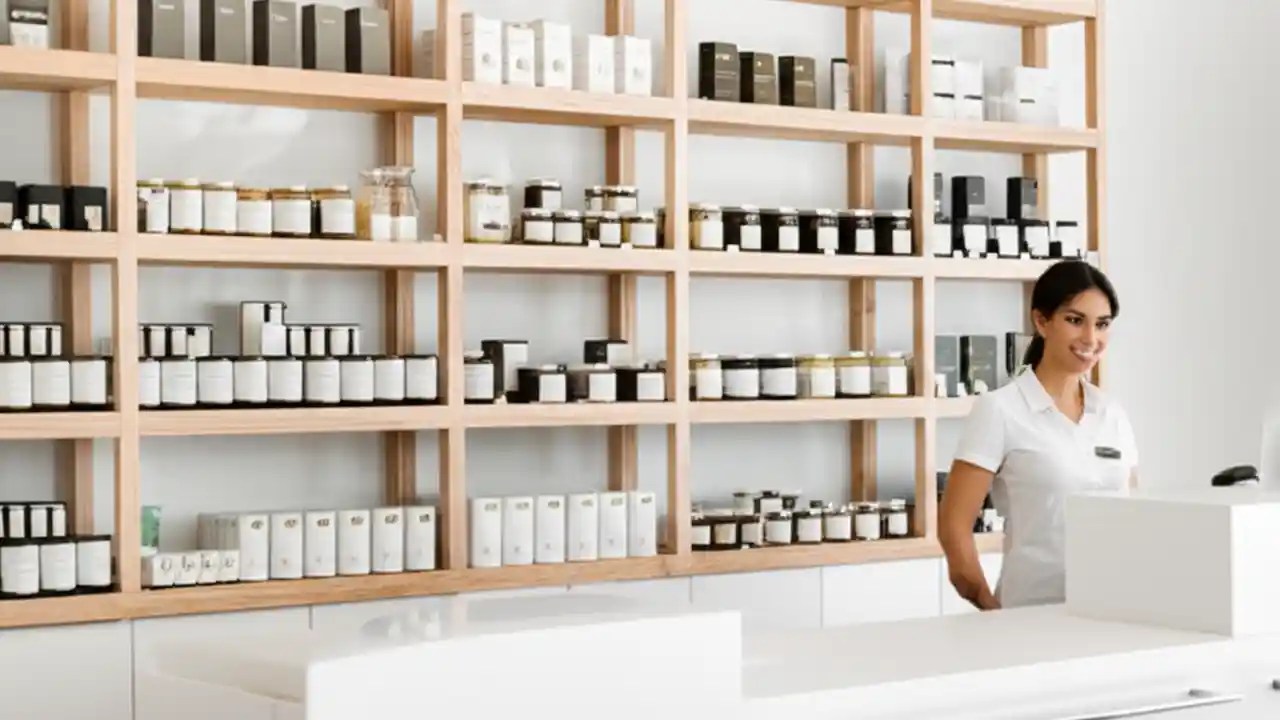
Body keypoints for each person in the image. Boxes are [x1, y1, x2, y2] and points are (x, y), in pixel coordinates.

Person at [939, 260, 1138, 610]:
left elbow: (1136, 517)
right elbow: (954, 527)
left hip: (1113, 609)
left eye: (1102, 324)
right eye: (1075, 321)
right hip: (1031, 614)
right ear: (1042, 321)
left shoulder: (1112, 414)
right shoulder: (999, 410)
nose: (1091, 339)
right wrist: (992, 610)